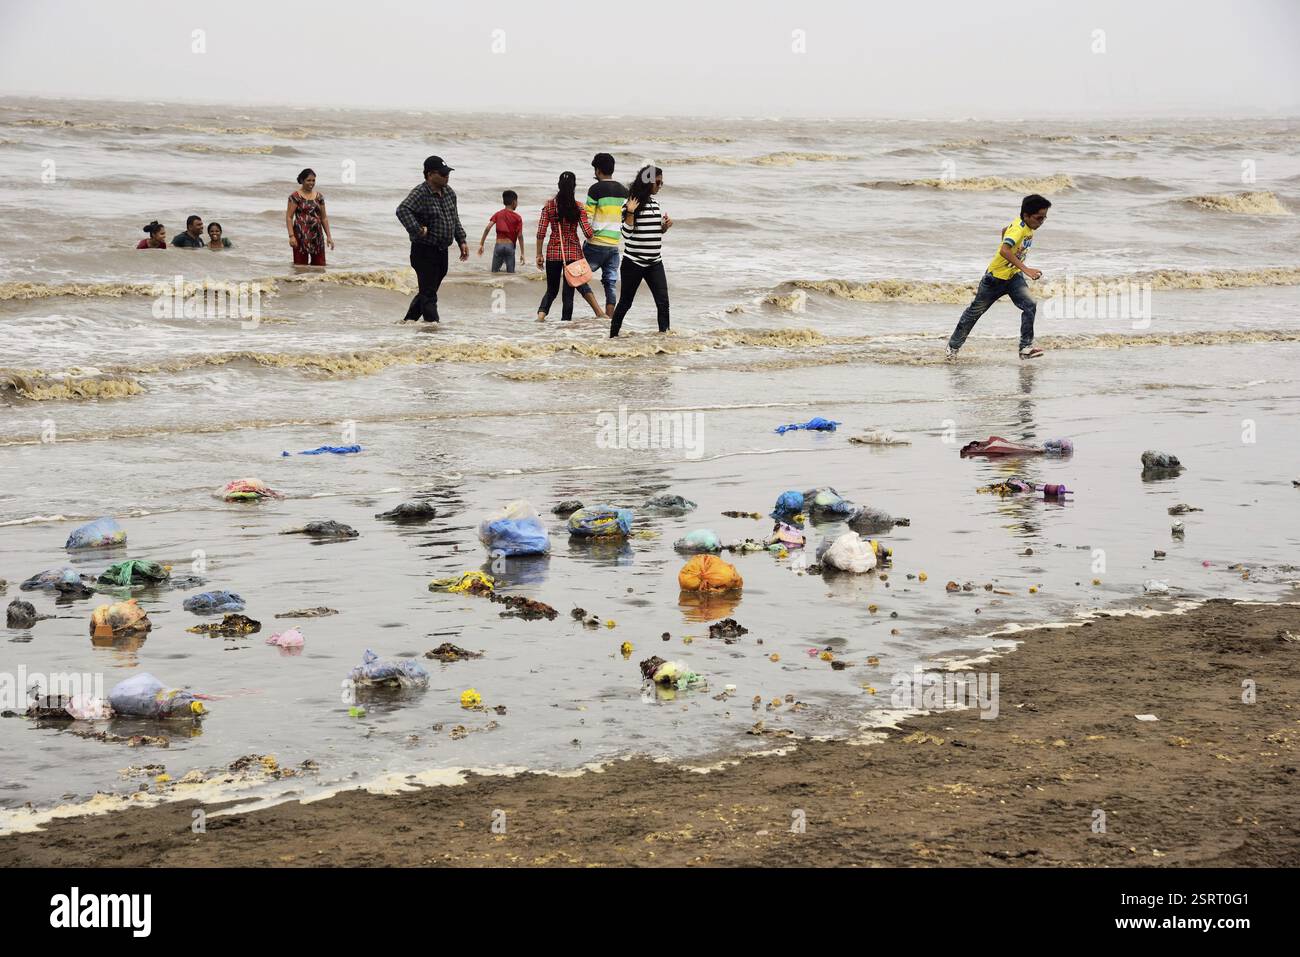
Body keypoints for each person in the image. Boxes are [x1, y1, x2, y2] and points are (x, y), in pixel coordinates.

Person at [946, 194, 1051, 361]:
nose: (1041, 222)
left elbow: (1004, 231)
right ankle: (952, 347)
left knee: (1030, 305)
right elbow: (1004, 250)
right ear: (1026, 215)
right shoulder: (1019, 228)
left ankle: (1025, 348)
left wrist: (1017, 267)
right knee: (974, 314)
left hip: (1013, 277)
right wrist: (1027, 269)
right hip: (994, 279)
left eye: (1044, 218)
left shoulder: (1026, 227)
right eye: (1039, 218)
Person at [396, 155, 468, 323]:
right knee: (429, 294)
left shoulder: (449, 192)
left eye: (447, 173)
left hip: (442, 251)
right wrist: (417, 230)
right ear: (430, 174)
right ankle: (433, 330)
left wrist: (462, 240)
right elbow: (402, 210)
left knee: (427, 292)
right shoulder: (420, 193)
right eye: (442, 174)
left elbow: (454, 219)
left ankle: (408, 321)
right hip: (424, 251)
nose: (446, 176)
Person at [608, 165, 672, 338]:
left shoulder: (655, 204)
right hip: (633, 263)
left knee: (663, 302)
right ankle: (612, 336)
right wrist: (630, 212)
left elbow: (654, 231)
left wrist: (664, 227)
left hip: (655, 262)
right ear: (647, 182)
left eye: (662, 183)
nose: (660, 186)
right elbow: (626, 234)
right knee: (625, 303)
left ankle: (664, 338)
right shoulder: (630, 203)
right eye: (658, 183)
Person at [534, 171, 599, 322]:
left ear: (558, 185)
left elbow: (541, 232)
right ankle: (565, 324)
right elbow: (588, 233)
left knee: (551, 290)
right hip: (573, 255)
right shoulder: (578, 207)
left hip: (553, 253)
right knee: (568, 293)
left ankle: (540, 317)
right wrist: (595, 228)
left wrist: (539, 254)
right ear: (574, 186)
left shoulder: (549, 206)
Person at [582, 152, 629, 317]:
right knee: (610, 283)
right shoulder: (624, 191)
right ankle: (608, 319)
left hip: (595, 243)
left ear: (598, 170)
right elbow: (626, 216)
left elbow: (586, 217)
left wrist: (587, 236)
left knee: (577, 277)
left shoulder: (595, 189)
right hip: (614, 244)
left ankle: (598, 313)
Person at [286, 168, 333, 268]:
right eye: (308, 180)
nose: (311, 183)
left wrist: (329, 236)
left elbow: (324, 218)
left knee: (320, 267)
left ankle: (315, 284)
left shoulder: (319, 197)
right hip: (300, 236)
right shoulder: (295, 196)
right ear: (302, 181)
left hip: (317, 236)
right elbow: (289, 217)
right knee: (300, 267)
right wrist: (291, 236)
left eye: (313, 180)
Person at [477, 190, 525, 273]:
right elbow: (520, 235)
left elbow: (488, 228)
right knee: (511, 274)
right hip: (510, 247)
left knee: (494, 272)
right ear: (514, 202)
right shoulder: (518, 217)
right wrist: (522, 253)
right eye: (517, 202)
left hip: (498, 246)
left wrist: (481, 244)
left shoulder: (498, 214)